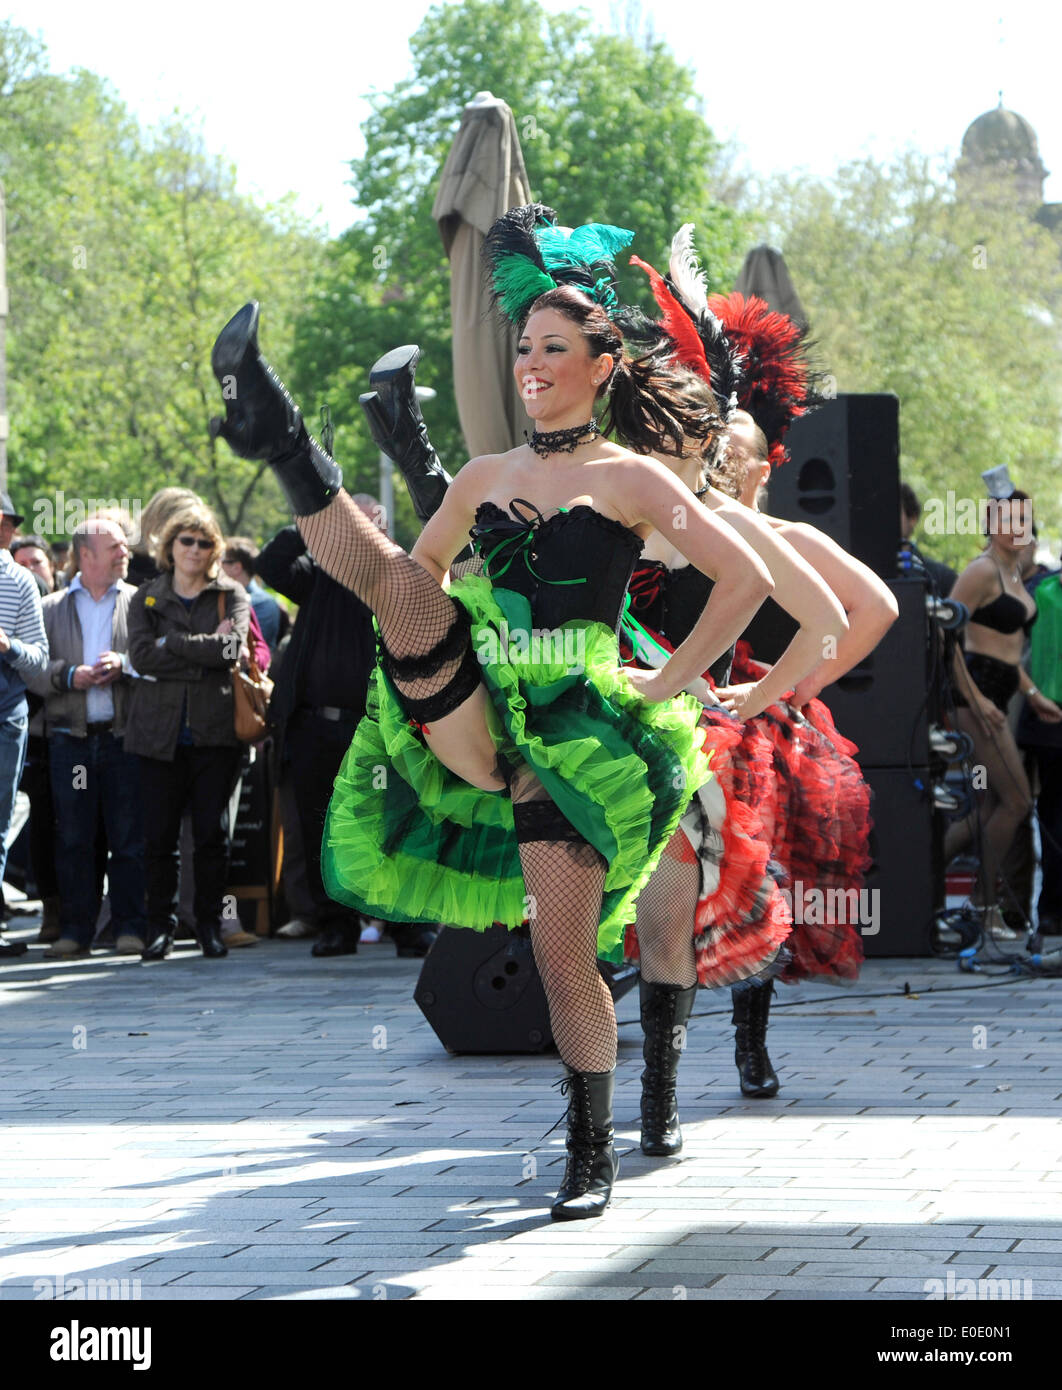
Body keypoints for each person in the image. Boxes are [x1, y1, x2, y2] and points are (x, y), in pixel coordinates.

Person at [209, 207, 777, 1220]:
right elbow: (408, 580)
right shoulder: (482, 477)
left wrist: (665, 678)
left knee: (564, 963)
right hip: (481, 698)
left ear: (603, 364)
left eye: (554, 347)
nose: (531, 362)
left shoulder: (633, 478)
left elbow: (746, 575)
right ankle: (278, 431)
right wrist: (434, 625)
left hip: (584, 733)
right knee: (405, 594)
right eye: (523, 346)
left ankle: (592, 1144)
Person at [124, 501, 250, 960]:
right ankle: (161, 927)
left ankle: (210, 927)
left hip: (215, 735)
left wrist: (173, 644)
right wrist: (204, 654)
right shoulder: (148, 596)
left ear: (214, 548)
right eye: (186, 541)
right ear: (170, 546)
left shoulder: (229, 593)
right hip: (157, 735)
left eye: (204, 542)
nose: (195, 550)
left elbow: (232, 648)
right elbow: (141, 657)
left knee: (211, 838)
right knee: (158, 839)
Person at [25, 517, 146, 957]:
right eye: (114, 546)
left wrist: (126, 664)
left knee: (128, 837)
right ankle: (75, 931)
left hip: (123, 739)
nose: (124, 552)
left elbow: (156, 659)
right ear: (86, 555)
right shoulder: (50, 608)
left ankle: (130, 926)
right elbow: (31, 668)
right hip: (70, 742)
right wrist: (69, 675)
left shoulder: (140, 603)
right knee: (74, 837)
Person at [945, 491, 1062, 939]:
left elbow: (1013, 654)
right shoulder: (981, 570)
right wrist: (975, 699)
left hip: (1003, 696)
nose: (1018, 528)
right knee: (1015, 800)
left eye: (1025, 520)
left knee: (991, 806)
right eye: (1009, 520)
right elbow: (945, 636)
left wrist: (1032, 694)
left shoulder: (1014, 573)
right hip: (978, 699)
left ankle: (924, 880)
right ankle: (983, 905)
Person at [0, 538, 49, 960]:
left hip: (5, 712)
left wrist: (8, 645)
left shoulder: (19, 580)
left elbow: (39, 659)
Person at [221, 538, 282, 656]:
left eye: (221, 561)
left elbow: (233, 653)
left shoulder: (263, 604)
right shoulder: (223, 598)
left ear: (236, 568)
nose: (217, 566)